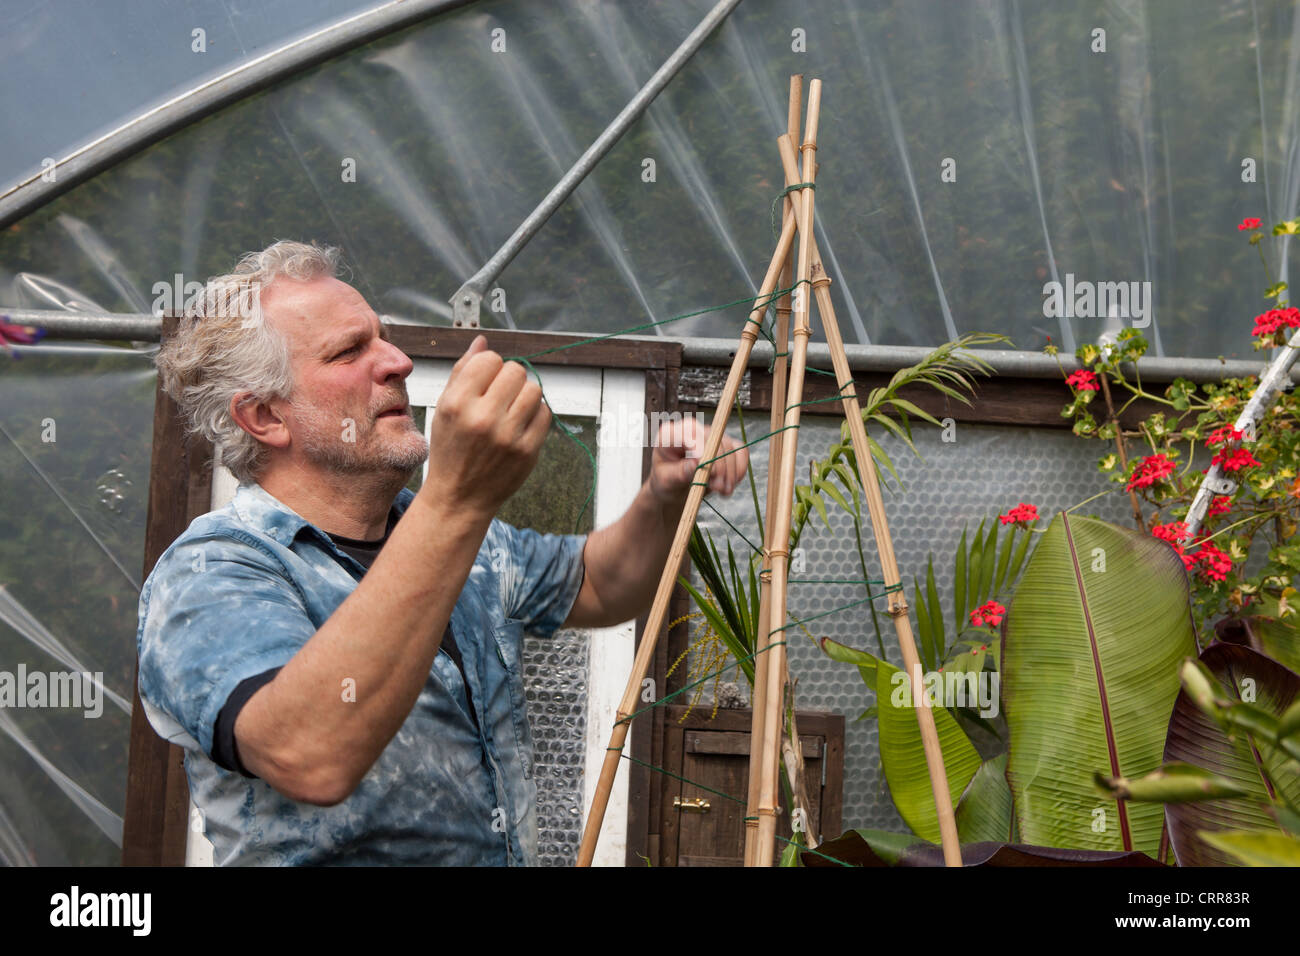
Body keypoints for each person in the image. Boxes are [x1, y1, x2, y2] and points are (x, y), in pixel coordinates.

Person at [136, 240, 748, 865]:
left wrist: (661, 497)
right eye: (351, 350)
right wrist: (455, 499)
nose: (397, 362)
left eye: (384, 339)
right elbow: (307, 753)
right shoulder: (213, 571)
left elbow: (602, 586)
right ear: (265, 416)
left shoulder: (443, 534)